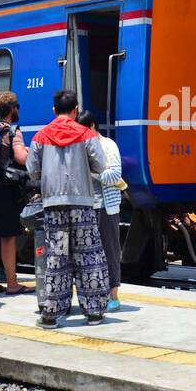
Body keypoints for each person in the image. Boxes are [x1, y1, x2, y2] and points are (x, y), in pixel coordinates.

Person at [25, 90, 109, 328]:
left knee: (57, 258)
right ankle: (93, 313)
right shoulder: (85, 134)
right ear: (75, 110)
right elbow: (101, 165)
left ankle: (51, 315)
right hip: (82, 203)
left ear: (54, 110)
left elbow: (32, 171)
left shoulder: (41, 136)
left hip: (53, 205)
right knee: (88, 256)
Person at [0, 91, 32, 296]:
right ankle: (12, 283)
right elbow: (20, 159)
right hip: (6, 190)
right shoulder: (13, 131)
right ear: (11, 109)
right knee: (8, 237)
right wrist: (29, 152)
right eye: (17, 106)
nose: (18, 109)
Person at [78, 111, 125, 312]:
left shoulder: (108, 145)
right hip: (89, 205)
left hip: (106, 207)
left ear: (93, 126)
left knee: (110, 251)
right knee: (92, 254)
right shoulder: (84, 147)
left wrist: (90, 172)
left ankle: (113, 294)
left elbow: (115, 175)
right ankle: (97, 294)